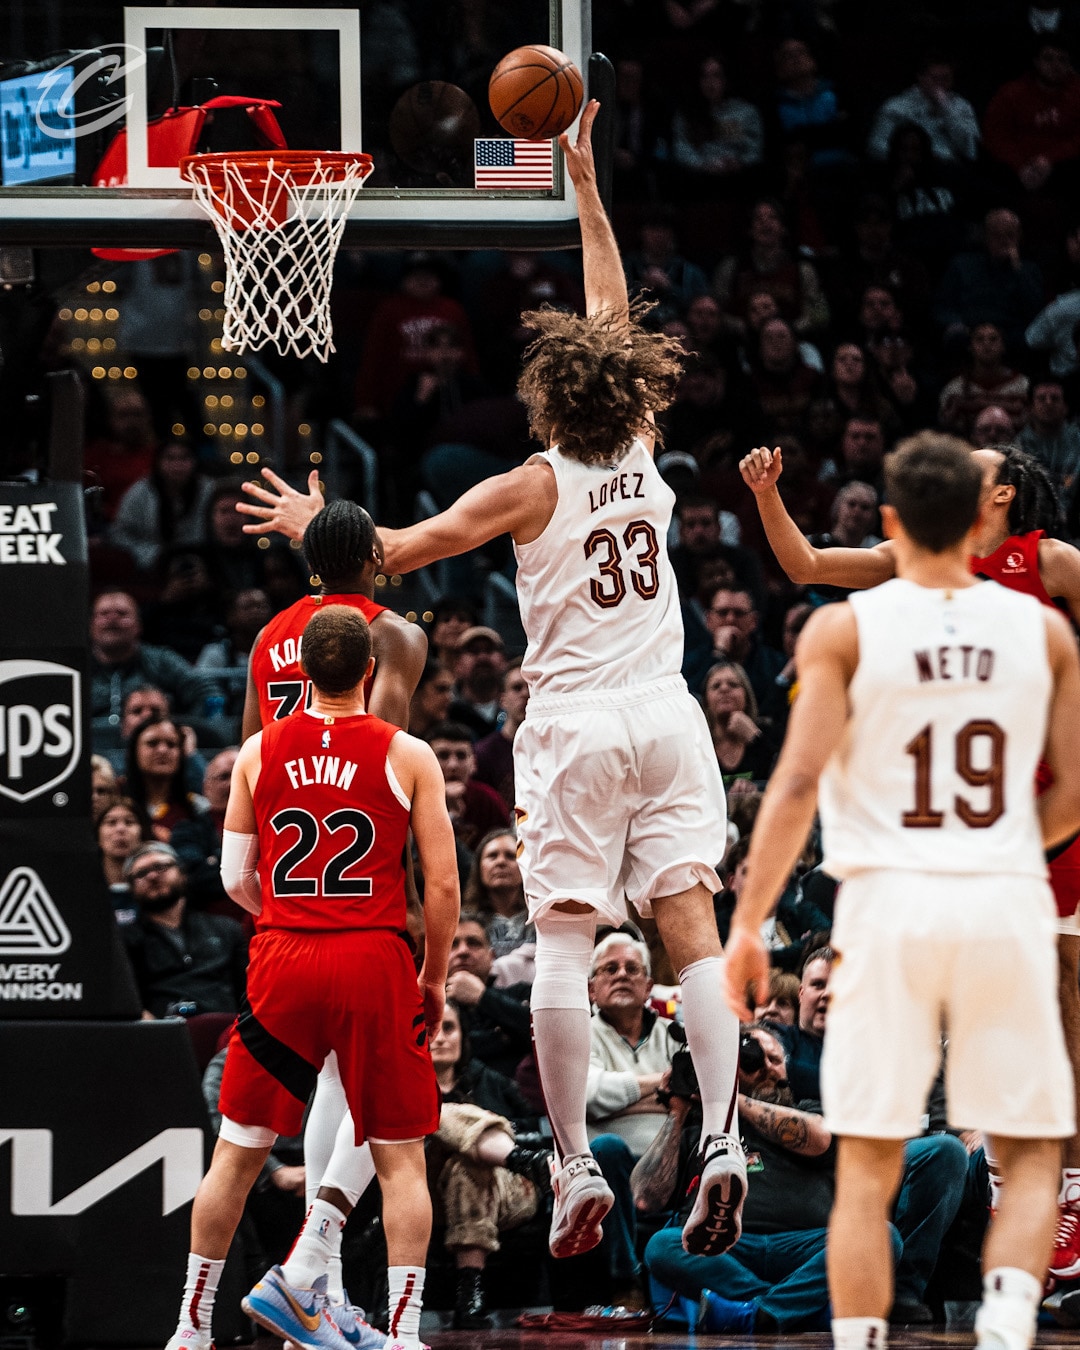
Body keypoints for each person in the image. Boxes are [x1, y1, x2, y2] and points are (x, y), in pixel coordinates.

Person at [238, 101, 745, 1267]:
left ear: (546, 401)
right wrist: (589, 190)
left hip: (574, 722)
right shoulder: (644, 446)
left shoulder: (531, 483)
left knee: (564, 942)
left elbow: (395, 555)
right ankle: (720, 1136)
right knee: (693, 935)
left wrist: (322, 523)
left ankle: (571, 1163)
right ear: (624, 389)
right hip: (671, 713)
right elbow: (614, 307)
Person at [724, 432, 1080, 1350]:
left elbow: (795, 788)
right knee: (1036, 1149)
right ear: (980, 517)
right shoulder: (1040, 626)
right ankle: (1008, 1314)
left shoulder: (844, 627)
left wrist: (752, 921)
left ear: (889, 521)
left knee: (872, 1159)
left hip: (887, 905)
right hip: (1000, 897)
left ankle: (859, 1339)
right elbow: (1073, 790)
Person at [165, 606, 459, 1350]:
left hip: (285, 956)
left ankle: (191, 1329)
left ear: (298, 675)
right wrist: (432, 975)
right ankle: (401, 1335)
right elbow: (445, 890)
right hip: (374, 958)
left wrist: (292, 915)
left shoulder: (260, 751)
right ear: (370, 670)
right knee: (399, 1159)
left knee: (235, 1153)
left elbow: (234, 876)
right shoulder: (410, 752)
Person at [238, 500, 429, 1340]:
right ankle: (316, 1265)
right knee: (375, 1094)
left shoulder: (268, 636)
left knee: (328, 1084)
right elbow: (379, 747)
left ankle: (327, 1289)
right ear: (379, 558)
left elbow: (254, 763)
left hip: (286, 881)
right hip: (366, 882)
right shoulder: (396, 636)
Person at [428, 999, 550, 1330]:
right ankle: (524, 1161)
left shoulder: (492, 1081)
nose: (439, 1037)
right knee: (436, 1119)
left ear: (463, 1036)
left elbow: (535, 1130)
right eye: (429, 1028)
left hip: (508, 1191)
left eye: (449, 1027)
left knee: (470, 1166)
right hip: (429, 1197)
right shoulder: (399, 1088)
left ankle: (470, 1294)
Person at [121, 841, 247, 1019]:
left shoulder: (226, 929)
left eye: (160, 866)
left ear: (182, 873)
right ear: (131, 888)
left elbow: (250, 993)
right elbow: (125, 1001)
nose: (152, 876)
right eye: (141, 873)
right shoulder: (123, 940)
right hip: (163, 1036)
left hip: (228, 1033)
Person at [444, 914, 532, 1078]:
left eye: (473, 943)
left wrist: (483, 997)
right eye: (453, 944)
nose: (463, 951)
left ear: (492, 957)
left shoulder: (519, 994)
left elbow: (541, 1038)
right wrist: (501, 1037)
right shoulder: (426, 1007)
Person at [124, 714, 210, 841]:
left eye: (171, 744)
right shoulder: (118, 801)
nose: (163, 750)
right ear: (134, 751)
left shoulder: (198, 808)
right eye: (152, 743)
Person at [700, 660, 777, 787]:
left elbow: (782, 775)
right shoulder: (698, 743)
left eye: (733, 684)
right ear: (706, 702)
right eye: (716, 686)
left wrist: (755, 737)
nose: (724, 689)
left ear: (747, 696)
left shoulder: (767, 733)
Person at [461, 830, 529, 958]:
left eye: (510, 856)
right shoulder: (464, 924)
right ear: (479, 867)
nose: (501, 862)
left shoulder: (542, 919)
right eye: (492, 856)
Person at [472, 661, 529, 812]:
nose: (526, 693)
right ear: (502, 700)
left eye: (531, 686)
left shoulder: (553, 748)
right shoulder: (483, 754)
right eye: (517, 688)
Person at [98, 796, 152, 926]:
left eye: (129, 822)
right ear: (97, 835)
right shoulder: (84, 889)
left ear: (142, 834)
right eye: (111, 822)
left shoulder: (154, 887)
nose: (121, 829)